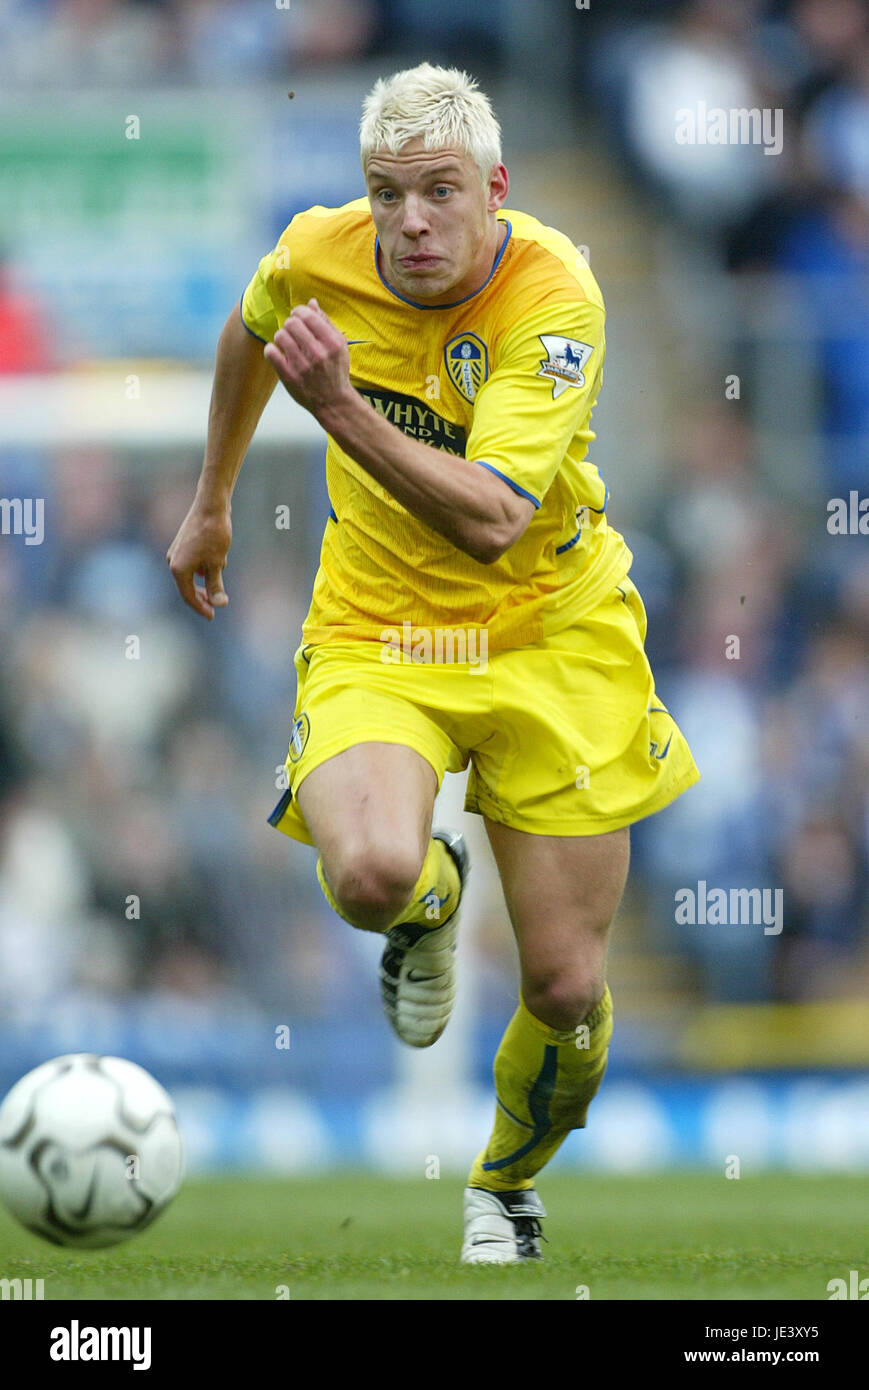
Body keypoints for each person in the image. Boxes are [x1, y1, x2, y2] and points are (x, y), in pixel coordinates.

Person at [167, 62, 700, 1264]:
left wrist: (340, 410)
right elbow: (252, 330)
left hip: (548, 634)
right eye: (386, 192)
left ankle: (503, 1184)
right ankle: (427, 901)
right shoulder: (318, 250)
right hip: (381, 631)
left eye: (438, 192)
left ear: (493, 188)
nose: (407, 221)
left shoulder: (552, 296)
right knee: (365, 871)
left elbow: (494, 517)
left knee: (565, 991)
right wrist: (212, 501)